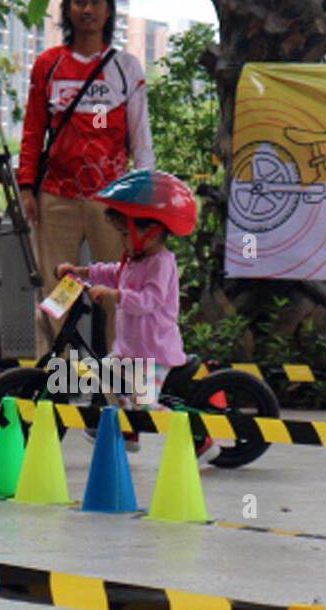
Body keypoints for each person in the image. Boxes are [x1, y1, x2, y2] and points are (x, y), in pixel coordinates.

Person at [18, 0, 155, 356]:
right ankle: (51, 382)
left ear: (109, 10)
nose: (87, 9)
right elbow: (33, 131)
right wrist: (27, 187)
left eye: (96, 1)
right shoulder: (48, 64)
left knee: (119, 292)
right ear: (67, 11)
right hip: (55, 199)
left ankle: (122, 387)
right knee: (57, 292)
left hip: (112, 203)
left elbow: (141, 136)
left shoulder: (127, 67)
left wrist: (144, 197)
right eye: (79, 1)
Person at [54, 169, 210, 458]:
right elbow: (113, 272)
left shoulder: (161, 263)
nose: (122, 241)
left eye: (125, 234)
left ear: (150, 233)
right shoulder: (135, 260)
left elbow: (149, 301)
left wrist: (116, 296)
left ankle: (198, 437)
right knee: (106, 377)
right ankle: (128, 431)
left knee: (145, 403)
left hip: (154, 353)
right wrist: (82, 271)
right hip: (129, 350)